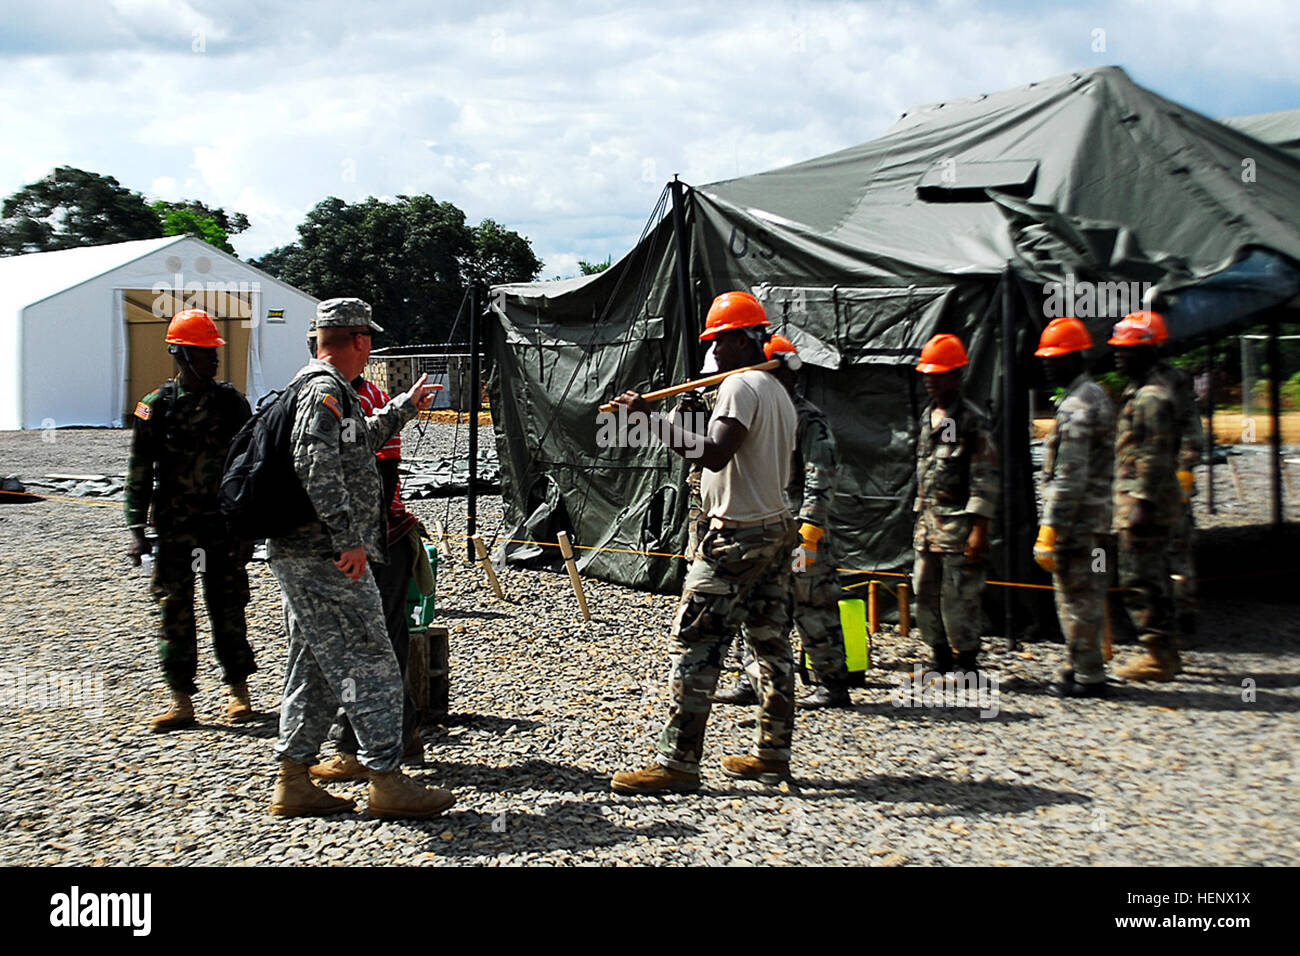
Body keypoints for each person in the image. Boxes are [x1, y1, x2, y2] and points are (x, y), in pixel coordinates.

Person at [266, 297, 451, 819]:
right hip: (325, 554)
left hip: (304, 552)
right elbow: (316, 463)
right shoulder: (325, 390)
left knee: (314, 666)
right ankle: (387, 781)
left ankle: (294, 779)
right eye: (369, 339)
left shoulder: (320, 388)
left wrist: (405, 406)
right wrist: (346, 538)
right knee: (371, 658)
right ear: (360, 340)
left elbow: (357, 440)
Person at [610, 291, 798, 793]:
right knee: (770, 642)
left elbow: (714, 455)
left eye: (718, 342)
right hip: (775, 530)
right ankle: (773, 753)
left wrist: (650, 421)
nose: (713, 354)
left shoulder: (739, 387)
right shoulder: (779, 391)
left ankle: (678, 764)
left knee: (696, 644)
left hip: (735, 536)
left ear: (741, 339)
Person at [124, 308, 257, 732]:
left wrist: (247, 529)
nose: (213, 360)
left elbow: (249, 467)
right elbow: (139, 470)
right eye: (203, 353)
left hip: (220, 528)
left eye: (213, 353)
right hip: (175, 529)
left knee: (229, 608)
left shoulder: (231, 403)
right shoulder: (155, 407)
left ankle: (238, 691)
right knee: (174, 611)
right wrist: (135, 530)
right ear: (180, 355)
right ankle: (180, 699)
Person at [715, 334, 853, 709]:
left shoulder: (806, 418)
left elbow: (820, 473)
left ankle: (832, 683)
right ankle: (751, 678)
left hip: (799, 529)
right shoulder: (755, 414)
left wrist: (810, 528)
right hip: (764, 523)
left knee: (811, 602)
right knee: (757, 601)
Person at [310, 362, 426, 780]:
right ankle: (402, 728)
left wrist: (355, 535)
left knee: (370, 641)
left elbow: (385, 473)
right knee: (361, 640)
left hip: (380, 538)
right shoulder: (321, 395)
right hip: (350, 539)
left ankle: (354, 744)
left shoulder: (369, 399)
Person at [1031, 318, 1116, 697]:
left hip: (1078, 522)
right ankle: (1079, 663)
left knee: (1077, 595)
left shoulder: (1079, 405)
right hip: (1092, 518)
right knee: (1081, 592)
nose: (1047, 365)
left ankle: (1088, 676)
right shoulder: (1089, 395)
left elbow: (1070, 476)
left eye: (1055, 358)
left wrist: (1051, 527)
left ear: (1077, 357)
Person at [911, 333, 999, 675]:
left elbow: (984, 476)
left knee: (959, 595)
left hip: (959, 527)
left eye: (938, 374)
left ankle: (966, 661)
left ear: (957, 375)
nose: (931, 380)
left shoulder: (972, 420)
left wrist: (979, 529)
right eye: (927, 374)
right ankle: (940, 656)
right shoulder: (929, 417)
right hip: (928, 525)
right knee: (924, 591)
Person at [1109, 311, 1183, 681]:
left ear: (1149, 351)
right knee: (1150, 577)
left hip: (1146, 508)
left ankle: (1159, 655)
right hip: (1141, 503)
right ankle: (1164, 650)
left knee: (1142, 579)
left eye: (1127, 350)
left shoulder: (1151, 397)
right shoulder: (1139, 391)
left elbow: (1154, 453)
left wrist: (1140, 502)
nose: (1119, 356)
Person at [1146, 312, 1205, 640]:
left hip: (1170, 484)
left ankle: (1183, 615)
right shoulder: (1140, 381)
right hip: (1146, 485)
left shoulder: (1173, 382)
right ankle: (1161, 617)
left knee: (1177, 551)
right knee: (1150, 555)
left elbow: (1192, 434)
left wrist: (1183, 475)